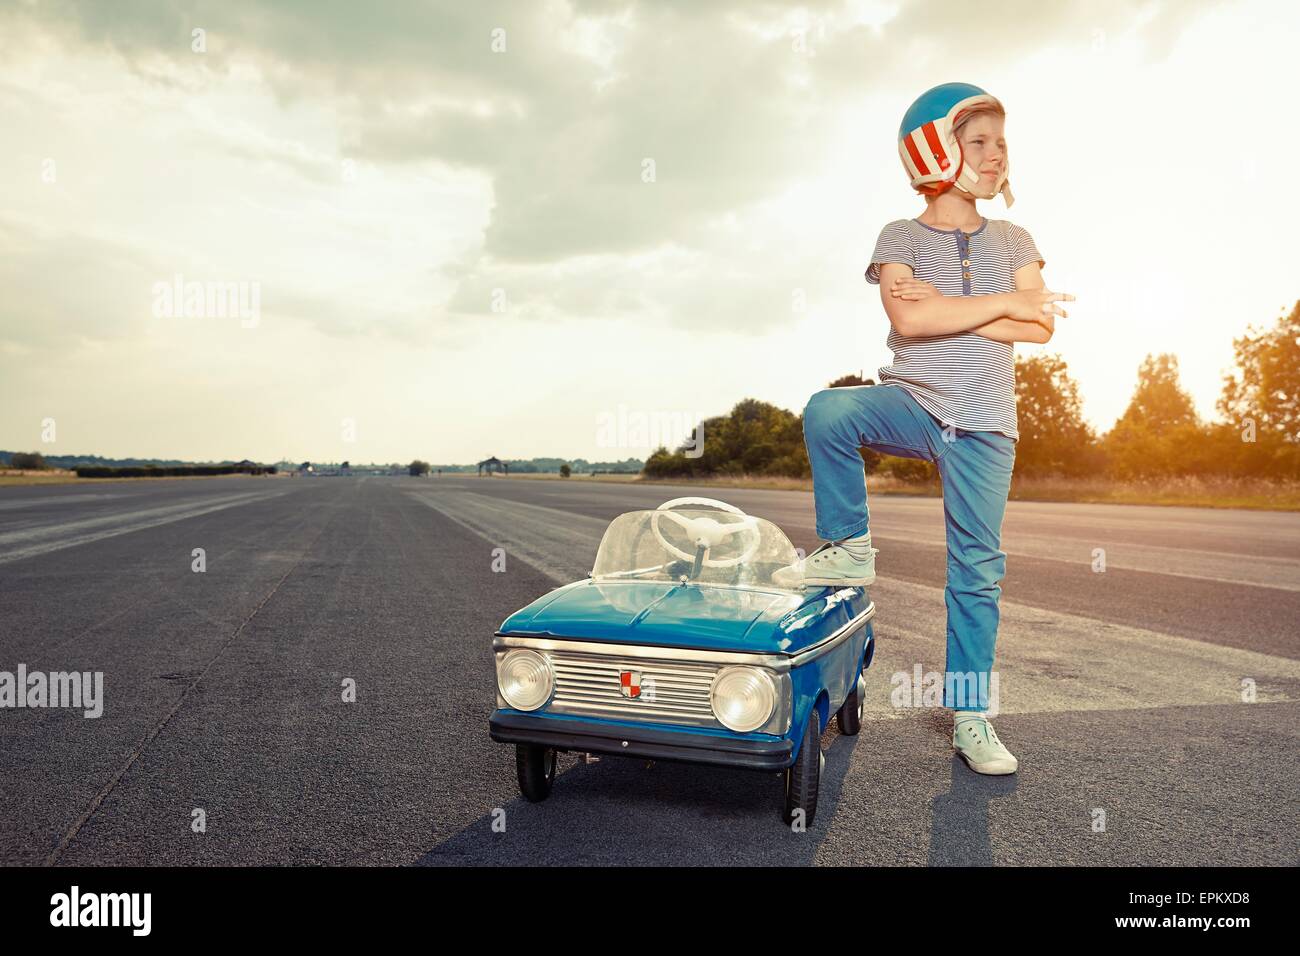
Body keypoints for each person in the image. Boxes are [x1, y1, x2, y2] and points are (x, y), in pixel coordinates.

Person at [776, 82, 1074, 775]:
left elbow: (1042, 326)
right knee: (829, 410)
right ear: (936, 149)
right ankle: (848, 546)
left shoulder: (1015, 237)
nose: (997, 153)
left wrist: (951, 302)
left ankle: (972, 720)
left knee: (976, 575)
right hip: (913, 403)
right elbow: (911, 322)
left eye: (1002, 141)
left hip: (987, 427)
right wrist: (996, 304)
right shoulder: (899, 237)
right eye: (980, 141)